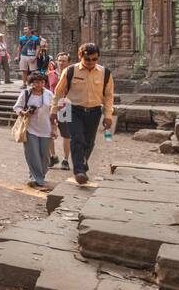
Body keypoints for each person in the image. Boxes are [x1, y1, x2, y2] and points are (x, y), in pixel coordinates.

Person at [52, 42, 115, 185]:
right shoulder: (70, 71)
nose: (91, 62)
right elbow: (58, 92)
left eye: (94, 59)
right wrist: (53, 111)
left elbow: (109, 96)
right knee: (77, 138)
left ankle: (83, 161)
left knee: (89, 142)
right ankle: (79, 171)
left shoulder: (105, 73)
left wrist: (108, 115)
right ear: (80, 56)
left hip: (94, 111)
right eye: (88, 59)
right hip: (73, 109)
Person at [14, 71, 58, 188]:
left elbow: (54, 112)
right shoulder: (26, 93)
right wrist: (24, 112)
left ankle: (40, 175)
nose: (39, 85)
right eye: (37, 82)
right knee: (32, 154)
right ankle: (36, 178)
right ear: (32, 83)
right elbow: (17, 107)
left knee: (45, 155)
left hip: (46, 129)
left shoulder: (49, 94)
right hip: (30, 128)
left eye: (42, 82)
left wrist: (54, 128)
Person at [48, 52, 71, 168]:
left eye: (64, 61)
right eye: (59, 60)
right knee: (49, 132)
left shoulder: (71, 75)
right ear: (56, 61)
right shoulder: (51, 74)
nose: (61, 63)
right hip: (52, 106)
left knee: (66, 134)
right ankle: (53, 156)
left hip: (66, 107)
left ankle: (66, 160)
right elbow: (47, 90)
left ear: (68, 62)